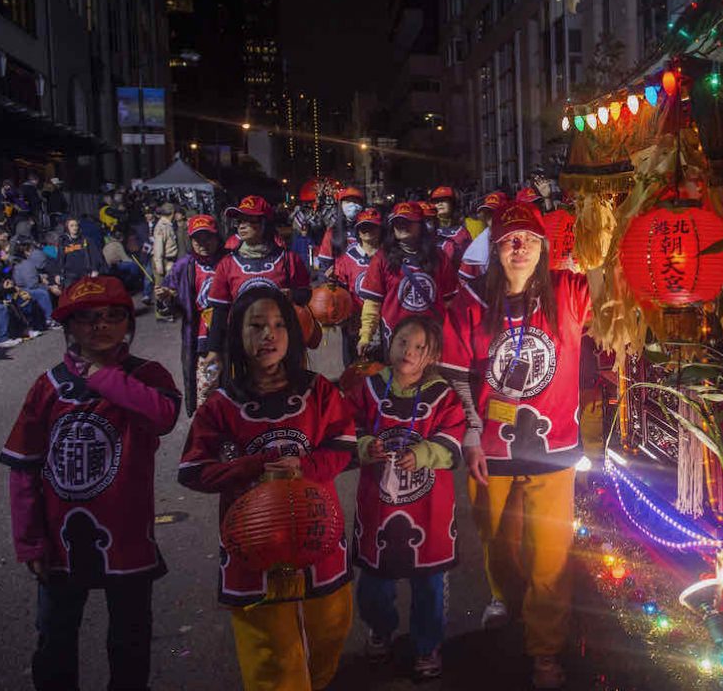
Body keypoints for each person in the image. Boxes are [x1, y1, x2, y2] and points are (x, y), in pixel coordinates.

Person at [0, 275, 179, 690]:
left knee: (130, 639)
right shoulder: (49, 386)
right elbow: (24, 466)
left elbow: (162, 416)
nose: (101, 325)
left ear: (128, 323)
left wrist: (101, 376)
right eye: (87, 317)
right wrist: (29, 541)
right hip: (60, 540)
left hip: (127, 536)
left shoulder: (148, 376)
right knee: (55, 638)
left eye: (113, 316)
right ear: (69, 326)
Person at [440, 202, 592, 689]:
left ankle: (545, 650)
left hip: (553, 449)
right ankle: (506, 598)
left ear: (544, 247)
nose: (520, 247)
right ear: (495, 249)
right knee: (497, 542)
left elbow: (613, 286)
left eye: (529, 238)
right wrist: (469, 430)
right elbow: (456, 373)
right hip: (491, 449)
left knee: (551, 556)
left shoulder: (567, 293)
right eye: (509, 239)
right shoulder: (471, 305)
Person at [177, 286, 355, 690]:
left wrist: (304, 466)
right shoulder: (221, 405)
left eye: (278, 325)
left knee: (330, 628)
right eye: (255, 326)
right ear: (238, 336)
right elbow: (193, 470)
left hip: (318, 534)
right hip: (253, 546)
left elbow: (343, 447)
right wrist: (252, 467)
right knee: (271, 653)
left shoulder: (318, 391)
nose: (268, 335)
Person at [348, 315, 466, 679]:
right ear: (390, 341)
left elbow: (453, 440)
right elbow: (349, 427)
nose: (408, 352)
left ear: (432, 355)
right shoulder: (369, 388)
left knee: (429, 584)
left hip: (428, 510)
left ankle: (427, 645)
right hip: (379, 507)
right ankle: (380, 629)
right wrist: (366, 445)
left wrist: (425, 453)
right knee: (374, 584)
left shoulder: (443, 396)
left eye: (419, 347)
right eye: (402, 342)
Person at [205, 195, 312, 384]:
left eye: (249, 220)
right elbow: (220, 312)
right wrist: (214, 350)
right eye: (240, 221)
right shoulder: (227, 264)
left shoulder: (288, 260)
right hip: (242, 345)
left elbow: (306, 294)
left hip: (282, 344)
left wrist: (293, 295)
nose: (242, 226)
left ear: (265, 224)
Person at [356, 202, 456, 356]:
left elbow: (451, 302)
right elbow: (372, 303)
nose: (401, 226)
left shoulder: (439, 257)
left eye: (407, 222)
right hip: (396, 340)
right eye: (397, 223)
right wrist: (365, 336)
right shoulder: (382, 258)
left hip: (431, 338)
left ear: (420, 225)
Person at [157, 214, 227, 414]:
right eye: (197, 239)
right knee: (207, 387)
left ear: (217, 237)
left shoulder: (229, 261)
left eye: (208, 238)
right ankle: (209, 422)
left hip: (229, 333)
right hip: (201, 337)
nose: (203, 244)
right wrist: (166, 298)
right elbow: (170, 305)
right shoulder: (183, 265)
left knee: (232, 384)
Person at [331, 207, 381, 366]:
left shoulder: (388, 257)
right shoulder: (347, 258)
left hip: (382, 321)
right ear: (357, 231)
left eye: (372, 226)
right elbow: (341, 290)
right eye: (363, 227)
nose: (367, 231)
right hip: (354, 321)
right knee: (353, 366)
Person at [459, 192, 511, 283]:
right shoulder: (476, 249)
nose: (492, 218)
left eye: (498, 213)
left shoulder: (521, 240)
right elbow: (464, 283)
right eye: (488, 213)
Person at [10, 236, 59, 333]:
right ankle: (49, 320)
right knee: (42, 293)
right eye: (30, 249)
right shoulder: (25, 263)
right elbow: (32, 284)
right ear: (26, 251)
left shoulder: (16, 261)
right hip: (22, 290)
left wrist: (41, 277)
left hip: (21, 286)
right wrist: (49, 286)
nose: (33, 251)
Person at [316, 186, 365, 274]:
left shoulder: (370, 231)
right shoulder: (332, 233)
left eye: (356, 202)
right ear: (341, 205)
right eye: (348, 202)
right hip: (341, 280)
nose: (352, 205)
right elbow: (324, 265)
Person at [56, 216, 105, 287]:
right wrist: (58, 274)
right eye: (72, 225)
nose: (74, 227)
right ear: (67, 228)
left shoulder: (86, 240)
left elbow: (95, 255)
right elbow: (60, 259)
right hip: (69, 276)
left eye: (76, 225)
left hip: (85, 274)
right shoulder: (63, 242)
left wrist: (95, 270)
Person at [429, 186, 472, 265]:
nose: (439, 203)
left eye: (444, 200)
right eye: (436, 201)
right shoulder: (427, 228)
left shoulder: (466, 227)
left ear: (453, 204)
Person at [152, 203, 179, 321]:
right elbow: (158, 248)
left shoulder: (167, 225)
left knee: (167, 287)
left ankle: (167, 311)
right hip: (163, 260)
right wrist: (159, 266)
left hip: (168, 260)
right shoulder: (162, 226)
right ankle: (161, 314)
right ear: (172, 213)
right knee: (160, 288)